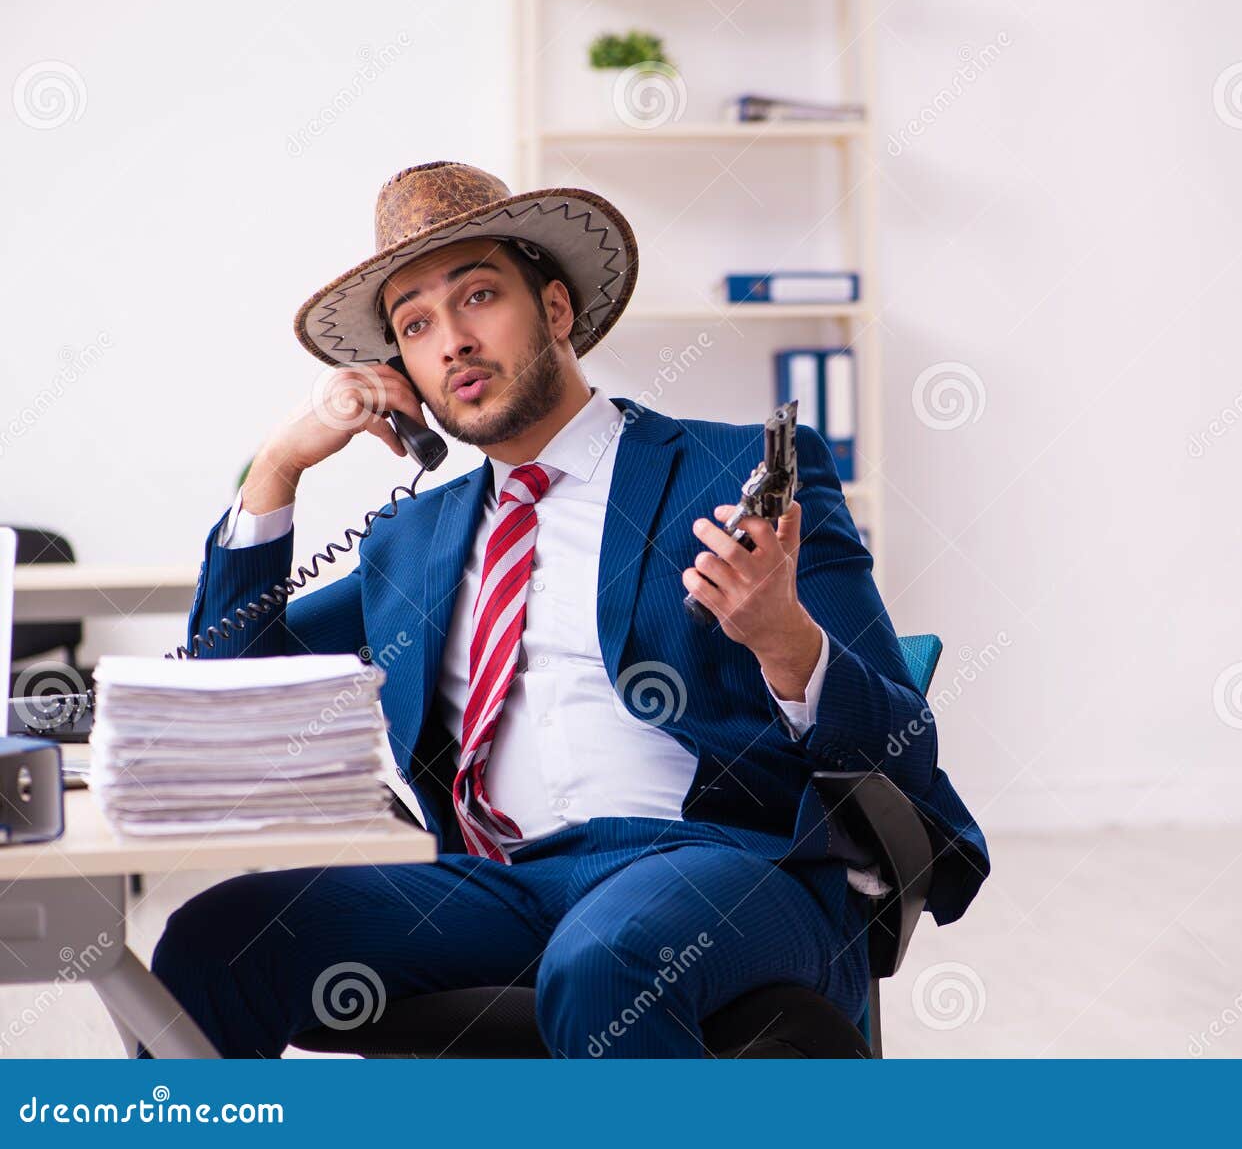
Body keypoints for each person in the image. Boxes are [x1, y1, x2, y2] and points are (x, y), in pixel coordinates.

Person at [151, 161, 988, 1058]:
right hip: (501, 884)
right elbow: (231, 689)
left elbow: (906, 741)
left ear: (554, 310)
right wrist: (280, 466)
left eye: (479, 297)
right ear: (399, 372)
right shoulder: (415, 542)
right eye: (417, 325)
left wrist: (787, 642)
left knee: (604, 962)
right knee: (217, 941)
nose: (453, 343)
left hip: (725, 867)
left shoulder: (734, 473)